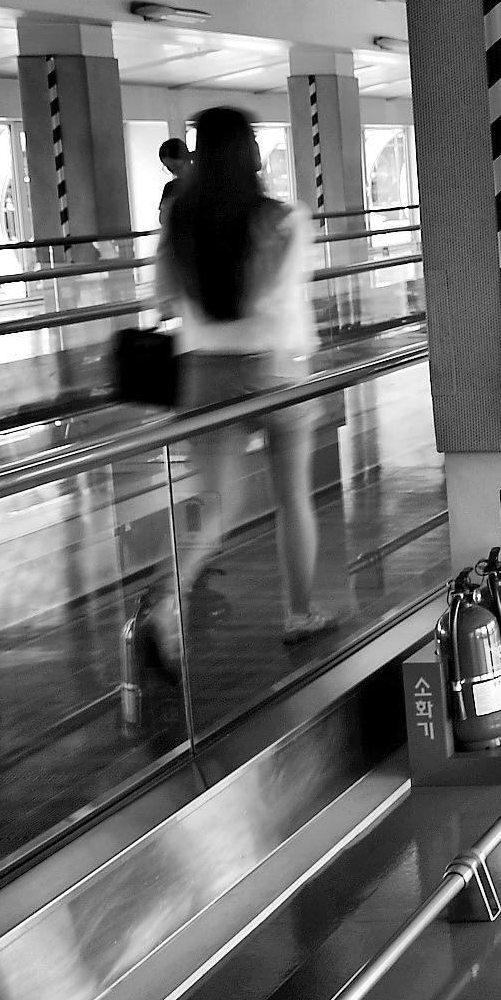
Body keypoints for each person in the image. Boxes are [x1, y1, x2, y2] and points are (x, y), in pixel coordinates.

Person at [155, 108, 331, 643]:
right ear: (249, 152)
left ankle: (168, 602)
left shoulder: (179, 220)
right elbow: (267, 293)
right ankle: (299, 614)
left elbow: (162, 298)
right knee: (293, 498)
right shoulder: (282, 218)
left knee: (215, 504)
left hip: (206, 374)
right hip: (278, 369)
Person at [155, 137, 190, 218]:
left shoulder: (202, 184)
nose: (175, 172)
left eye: (177, 167)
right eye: (169, 168)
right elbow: (162, 218)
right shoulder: (170, 187)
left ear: (187, 159)